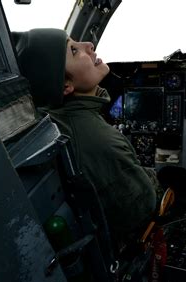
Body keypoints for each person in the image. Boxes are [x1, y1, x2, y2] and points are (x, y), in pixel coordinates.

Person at [12, 28, 157, 243]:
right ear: (66, 86)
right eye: (74, 50)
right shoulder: (101, 141)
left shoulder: (53, 118)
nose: (89, 45)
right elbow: (141, 208)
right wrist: (153, 178)